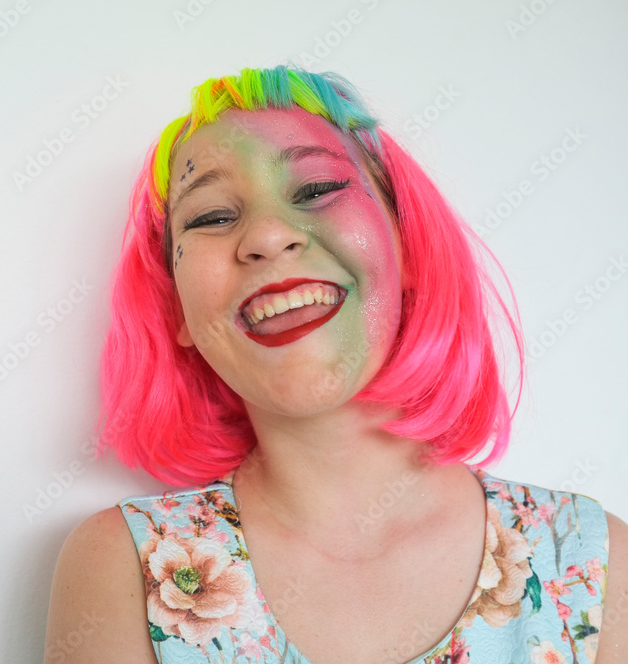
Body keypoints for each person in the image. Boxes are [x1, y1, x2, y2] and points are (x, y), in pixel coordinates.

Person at [44, 64, 627, 664]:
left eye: (316, 189)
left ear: (408, 246)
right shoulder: (124, 566)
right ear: (179, 311)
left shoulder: (592, 563)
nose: (268, 236)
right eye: (213, 217)